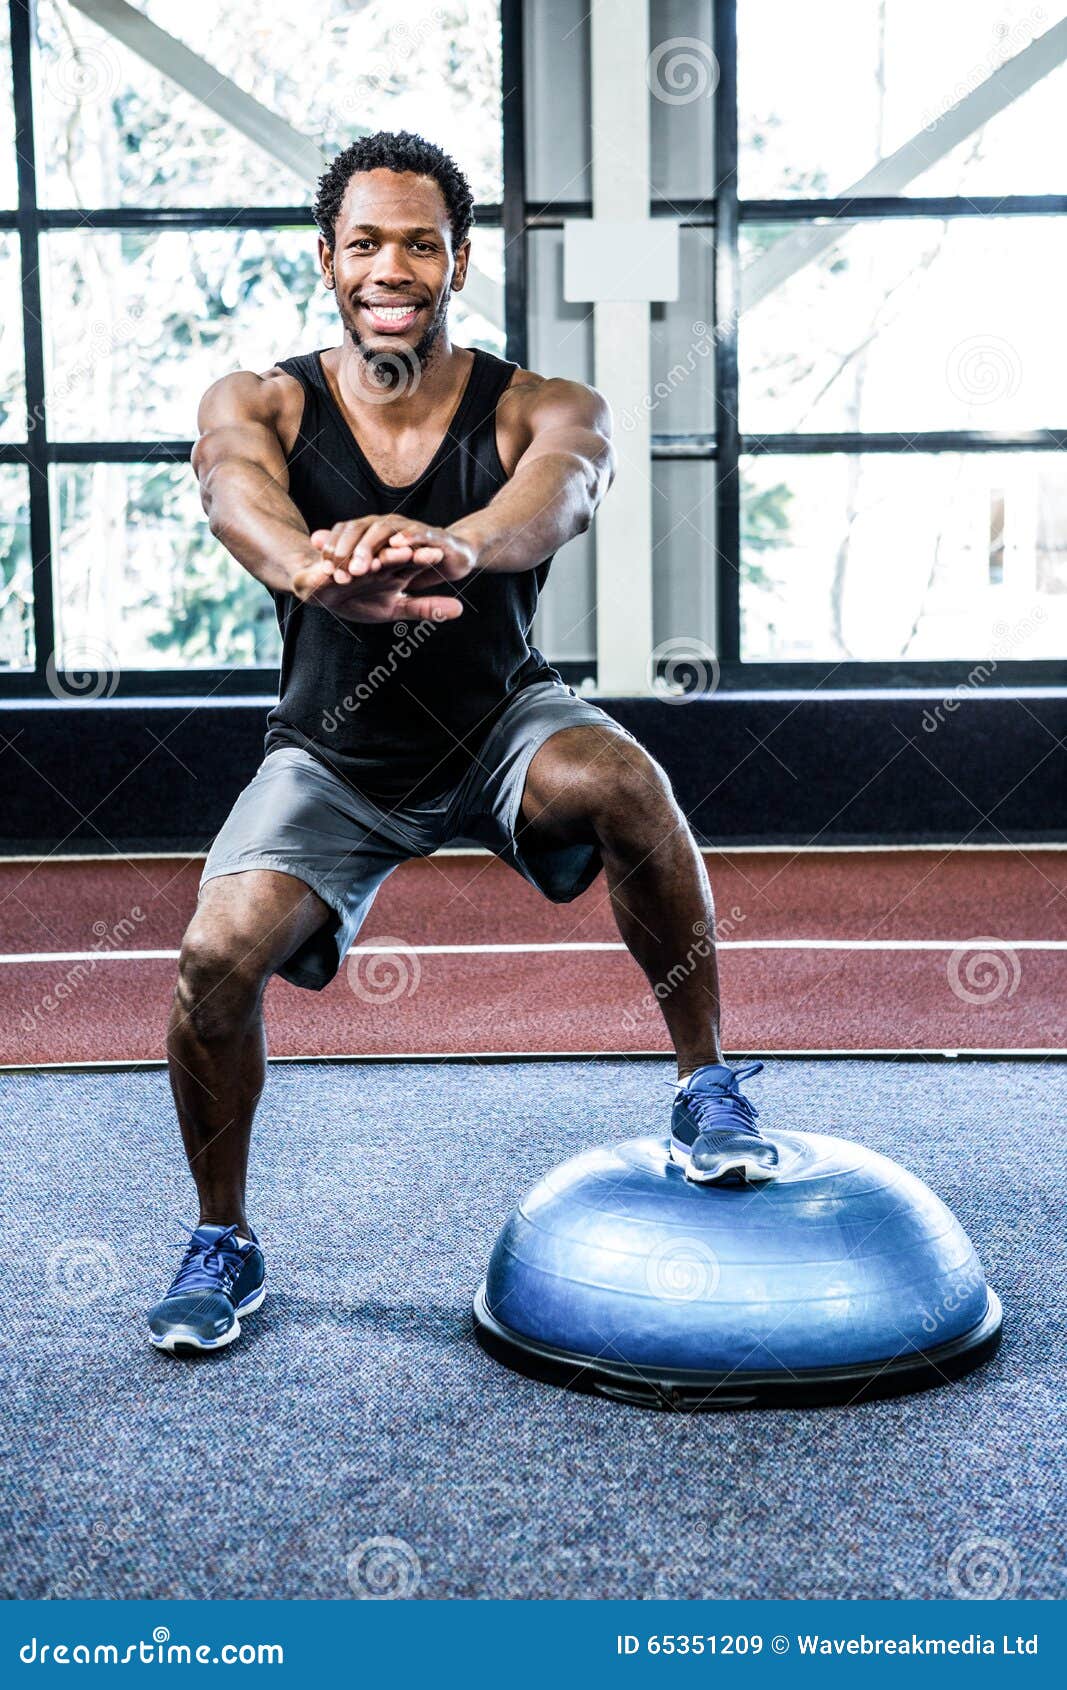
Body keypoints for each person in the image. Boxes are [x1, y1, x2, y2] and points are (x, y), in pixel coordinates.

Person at [147, 130, 776, 1357]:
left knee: (619, 776)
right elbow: (233, 488)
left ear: (458, 260)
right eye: (367, 241)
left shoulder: (538, 400)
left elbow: (568, 485)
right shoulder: (261, 398)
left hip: (500, 728)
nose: (394, 266)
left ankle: (706, 1083)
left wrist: (462, 545)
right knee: (210, 963)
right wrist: (313, 569)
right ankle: (224, 1237)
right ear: (326, 258)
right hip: (331, 760)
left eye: (420, 243)